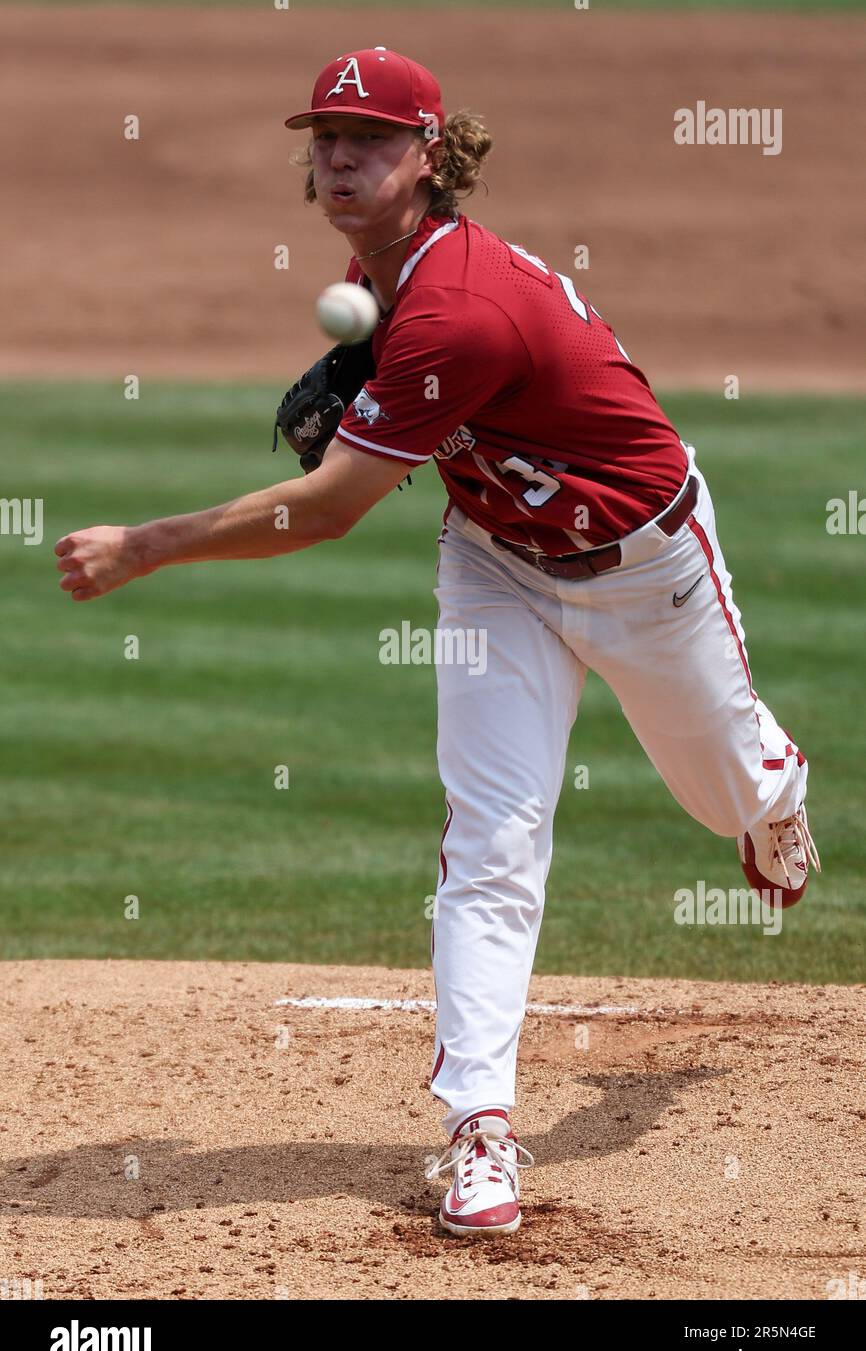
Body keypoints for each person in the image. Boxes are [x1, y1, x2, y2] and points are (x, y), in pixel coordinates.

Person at [55, 47, 820, 1238]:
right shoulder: (388, 277)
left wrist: (145, 545)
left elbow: (328, 507)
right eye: (324, 139)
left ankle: (773, 777)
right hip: (494, 568)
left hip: (647, 563)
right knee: (491, 840)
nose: (340, 157)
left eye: (368, 137)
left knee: (721, 794)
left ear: (429, 157)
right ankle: (478, 1130)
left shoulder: (454, 307)